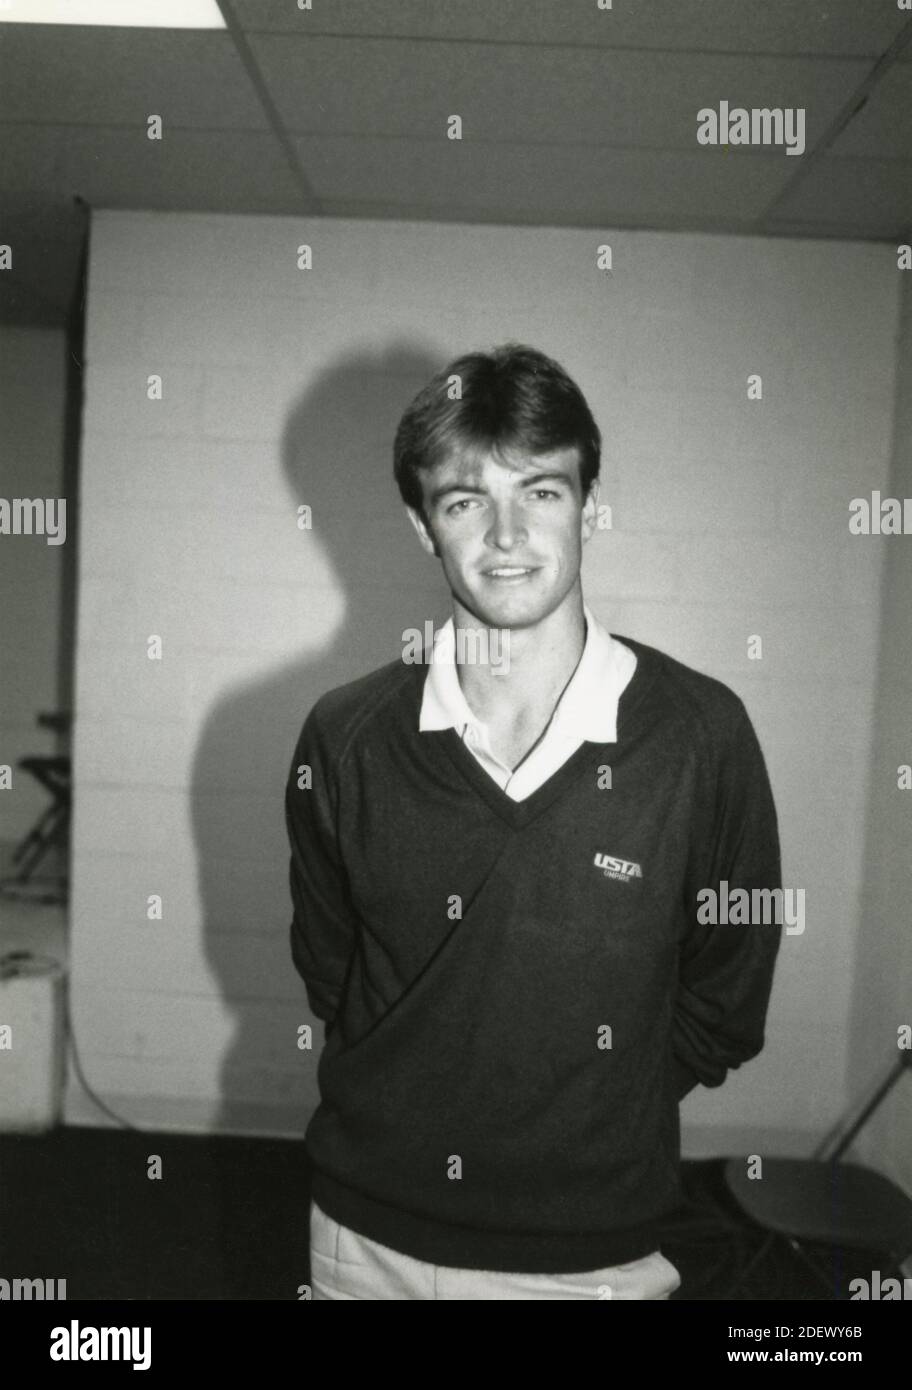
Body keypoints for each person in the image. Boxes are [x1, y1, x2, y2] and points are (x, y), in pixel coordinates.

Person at [284, 343, 783, 1300]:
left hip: (589, 1255)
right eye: (466, 500)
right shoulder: (343, 736)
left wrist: (598, 1106)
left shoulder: (700, 733)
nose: (507, 534)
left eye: (542, 492)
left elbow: (727, 995)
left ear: (591, 505)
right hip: (365, 1239)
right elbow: (332, 970)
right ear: (422, 527)